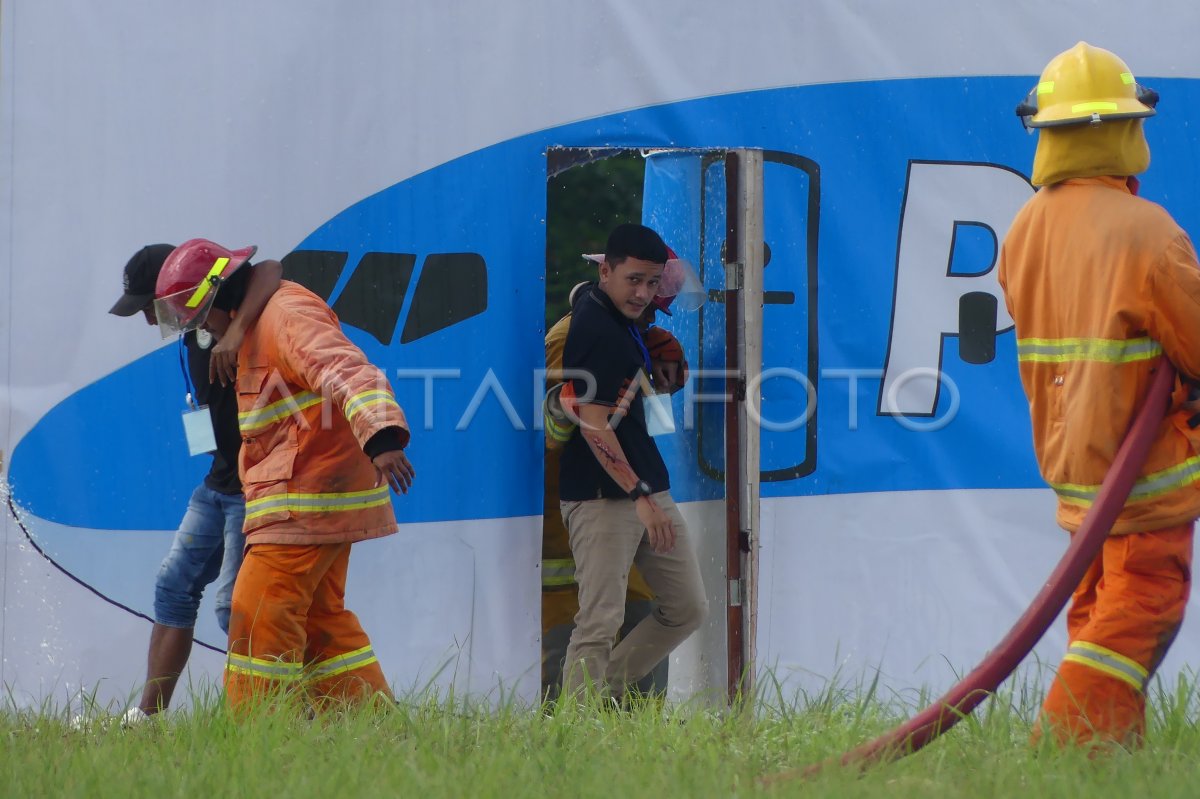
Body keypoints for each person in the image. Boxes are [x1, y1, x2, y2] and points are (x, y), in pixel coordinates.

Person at [998, 41, 1200, 747]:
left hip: (1078, 472)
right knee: (1141, 607)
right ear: (1126, 130)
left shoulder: (1025, 229)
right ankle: (1064, 746)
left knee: (1096, 611)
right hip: (1144, 474)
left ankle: (1114, 764)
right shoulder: (1149, 234)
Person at [154, 238, 415, 711]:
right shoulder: (258, 321)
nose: (205, 332)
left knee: (255, 619)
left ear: (218, 299)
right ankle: (374, 731)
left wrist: (380, 437)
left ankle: (260, 745)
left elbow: (346, 369)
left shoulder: (285, 315)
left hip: (305, 502)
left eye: (201, 320)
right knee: (320, 622)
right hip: (307, 500)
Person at [107, 243, 282, 721]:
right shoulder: (194, 331)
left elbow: (270, 267)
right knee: (173, 587)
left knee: (235, 608)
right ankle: (146, 720)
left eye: (150, 308)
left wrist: (238, 331)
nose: (149, 321)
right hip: (218, 485)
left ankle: (272, 719)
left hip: (253, 487)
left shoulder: (222, 301)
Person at [555, 223, 707, 701]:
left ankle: (601, 696)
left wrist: (649, 372)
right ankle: (576, 733)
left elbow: (583, 297)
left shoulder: (611, 315)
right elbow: (593, 423)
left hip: (646, 484)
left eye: (652, 284)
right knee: (599, 621)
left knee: (687, 608)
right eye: (634, 281)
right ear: (607, 271)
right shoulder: (598, 329)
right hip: (604, 495)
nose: (644, 295)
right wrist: (640, 496)